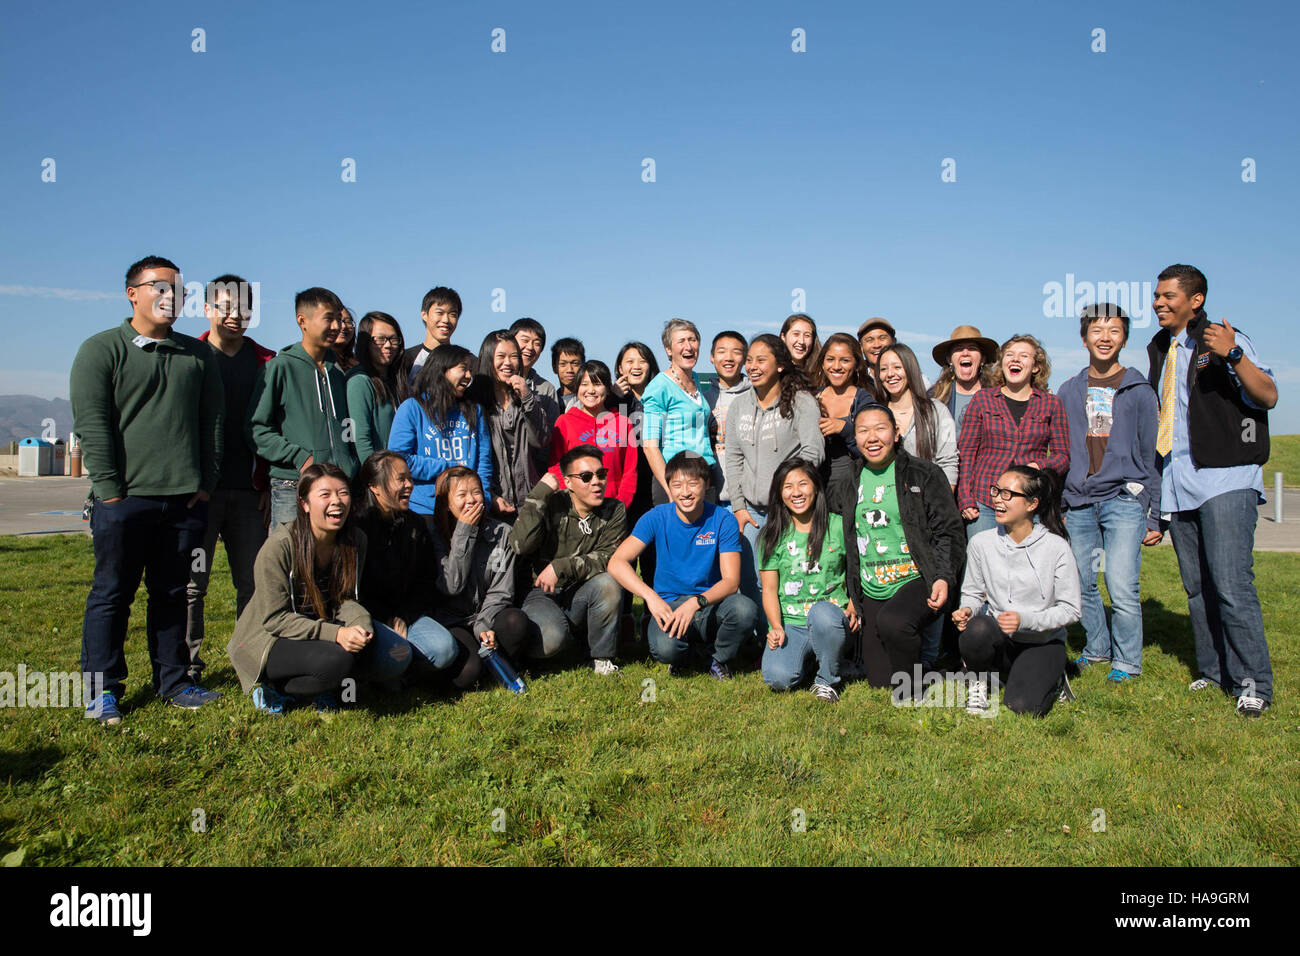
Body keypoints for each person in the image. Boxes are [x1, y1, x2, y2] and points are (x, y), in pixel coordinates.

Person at [73, 255, 225, 723]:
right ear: (132, 292)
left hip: (184, 500)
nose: (170, 297)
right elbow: (93, 426)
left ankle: (174, 681)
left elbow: (212, 423)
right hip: (124, 500)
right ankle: (103, 691)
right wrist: (110, 490)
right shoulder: (101, 350)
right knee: (112, 594)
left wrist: (205, 482)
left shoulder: (198, 356)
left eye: (178, 290)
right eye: (159, 287)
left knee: (173, 593)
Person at [1147, 264, 1277, 717]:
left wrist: (1236, 353)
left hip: (1225, 478)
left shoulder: (1223, 337)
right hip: (1178, 483)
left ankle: (1254, 683)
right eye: (1156, 296)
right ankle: (1213, 670)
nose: (1158, 303)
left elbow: (1269, 395)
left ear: (1195, 300)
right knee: (1198, 587)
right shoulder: (1161, 348)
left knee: (1230, 582)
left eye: (1168, 296)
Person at [226, 463, 412, 715]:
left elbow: (346, 598)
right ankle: (275, 687)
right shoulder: (279, 547)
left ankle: (332, 683)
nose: (336, 501)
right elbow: (275, 619)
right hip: (273, 637)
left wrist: (362, 627)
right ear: (304, 504)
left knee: (398, 652)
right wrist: (336, 635)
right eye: (325, 495)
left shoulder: (356, 541)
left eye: (343, 493)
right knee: (338, 661)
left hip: (325, 627)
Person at [1058, 304, 1162, 683]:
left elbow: (1152, 454)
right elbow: (1062, 448)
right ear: (1084, 338)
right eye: (1097, 330)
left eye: (1114, 331)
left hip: (1122, 499)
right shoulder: (1069, 390)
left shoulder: (1138, 390)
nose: (1105, 338)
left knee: (1121, 584)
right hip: (1079, 501)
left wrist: (1152, 511)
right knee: (1081, 582)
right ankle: (1097, 648)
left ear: (1124, 338)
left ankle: (1128, 661)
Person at [834, 404, 965, 695]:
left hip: (917, 577)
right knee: (879, 680)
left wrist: (943, 576)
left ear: (896, 433)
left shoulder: (924, 474)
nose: (872, 437)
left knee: (894, 623)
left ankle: (913, 689)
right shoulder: (849, 481)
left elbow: (950, 531)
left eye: (880, 428)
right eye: (863, 430)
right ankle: (937, 674)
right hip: (873, 586)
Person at [186, 274, 276, 686]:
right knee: (192, 585)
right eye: (225, 306)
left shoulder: (266, 361)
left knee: (252, 584)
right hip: (199, 493)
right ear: (207, 309)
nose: (235, 315)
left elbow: (277, 427)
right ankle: (188, 667)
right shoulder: (190, 358)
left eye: (243, 308)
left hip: (248, 491)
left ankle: (250, 660)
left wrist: (268, 484)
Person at [607, 451, 758, 679]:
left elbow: (730, 581)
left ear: (706, 485)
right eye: (677, 485)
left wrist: (696, 603)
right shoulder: (655, 516)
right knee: (664, 649)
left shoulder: (722, 519)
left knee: (745, 610)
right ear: (668, 486)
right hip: (670, 606)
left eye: (692, 484)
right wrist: (651, 598)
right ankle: (685, 655)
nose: (685, 492)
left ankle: (717, 657)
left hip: (709, 603)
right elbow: (617, 563)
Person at [954, 466, 1081, 717]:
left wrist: (1026, 620)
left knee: (1022, 707)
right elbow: (973, 592)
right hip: (1002, 639)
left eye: (1008, 494)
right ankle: (979, 680)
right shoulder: (981, 543)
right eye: (996, 491)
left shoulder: (1056, 547)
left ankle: (1055, 677)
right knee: (977, 629)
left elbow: (1071, 610)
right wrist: (967, 609)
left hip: (1042, 642)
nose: (998, 499)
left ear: (1032, 504)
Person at [724, 334, 824, 611]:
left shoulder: (802, 402)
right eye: (749, 360)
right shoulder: (739, 406)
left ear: (780, 365)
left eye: (760, 360)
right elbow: (733, 457)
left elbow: (813, 452)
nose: (752, 366)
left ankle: (791, 638)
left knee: (789, 578)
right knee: (752, 580)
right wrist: (738, 507)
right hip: (752, 513)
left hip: (791, 510)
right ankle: (763, 642)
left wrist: (791, 491)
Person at [510, 445, 628, 674]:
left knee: (608, 583)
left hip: (581, 590)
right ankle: (533, 648)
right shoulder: (551, 504)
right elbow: (520, 545)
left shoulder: (614, 510)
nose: (596, 482)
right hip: (540, 592)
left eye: (601, 474)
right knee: (553, 638)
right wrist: (539, 494)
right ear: (568, 482)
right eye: (586, 477)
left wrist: (561, 566)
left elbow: (607, 558)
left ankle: (601, 659)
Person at [249, 287, 359, 527]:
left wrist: (350, 465)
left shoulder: (339, 373)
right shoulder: (279, 368)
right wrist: (300, 458)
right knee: (292, 559)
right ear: (302, 321)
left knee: (337, 560)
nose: (336, 327)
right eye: (328, 319)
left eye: (339, 320)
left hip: (337, 486)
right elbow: (257, 429)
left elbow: (347, 428)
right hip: (293, 486)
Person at [351, 451, 462, 680]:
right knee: (397, 655)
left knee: (445, 650)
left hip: (407, 616)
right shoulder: (356, 529)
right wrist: (383, 618)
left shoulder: (416, 524)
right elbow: (353, 591)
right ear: (374, 486)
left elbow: (425, 581)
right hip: (368, 619)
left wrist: (404, 615)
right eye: (400, 479)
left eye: (409, 478)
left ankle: (401, 670)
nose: (409, 485)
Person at [956, 334, 1069, 539]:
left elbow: (1062, 457)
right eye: (1010, 355)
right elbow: (966, 453)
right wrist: (966, 498)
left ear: (1036, 366)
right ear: (1002, 363)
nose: (1015, 359)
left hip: (1029, 502)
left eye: (1024, 356)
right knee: (984, 565)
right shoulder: (983, 399)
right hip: (985, 500)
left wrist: (1038, 466)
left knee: (1028, 566)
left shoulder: (1052, 404)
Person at [759, 459, 854, 702]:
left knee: (822, 614)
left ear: (816, 487)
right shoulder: (771, 535)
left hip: (831, 618)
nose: (796, 492)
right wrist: (776, 626)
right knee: (777, 678)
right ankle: (811, 659)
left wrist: (855, 604)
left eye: (803, 484)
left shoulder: (838, 525)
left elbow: (856, 569)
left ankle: (827, 679)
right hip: (792, 623)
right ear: (780, 493)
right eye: (788, 487)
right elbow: (769, 590)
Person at [430, 466, 530, 688]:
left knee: (516, 622)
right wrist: (464, 533)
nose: (471, 500)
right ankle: (489, 664)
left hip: (489, 614)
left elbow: (502, 590)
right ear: (446, 502)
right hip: (454, 619)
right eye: (462, 495)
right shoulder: (434, 536)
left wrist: (483, 623)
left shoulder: (502, 533)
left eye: (476, 492)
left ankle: (496, 661)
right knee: (468, 672)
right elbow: (452, 586)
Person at [388, 344, 494, 526]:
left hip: (469, 510)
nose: (469, 376)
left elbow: (484, 462)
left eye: (470, 370)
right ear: (441, 370)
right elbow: (398, 461)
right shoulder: (412, 408)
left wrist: (483, 499)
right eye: (463, 369)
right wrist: (447, 467)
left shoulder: (474, 410)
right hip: (424, 510)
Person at [640, 319, 718, 505]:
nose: (688, 346)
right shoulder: (659, 387)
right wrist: (671, 489)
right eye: (681, 341)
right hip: (675, 480)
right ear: (668, 349)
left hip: (704, 476)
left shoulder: (696, 379)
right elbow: (649, 446)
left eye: (693, 339)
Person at [614, 341, 662, 640]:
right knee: (624, 554)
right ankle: (622, 619)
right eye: (628, 360)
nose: (635, 365)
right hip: (624, 490)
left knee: (655, 556)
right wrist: (615, 399)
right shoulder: (615, 402)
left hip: (655, 488)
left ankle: (651, 616)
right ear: (619, 368)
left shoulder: (660, 396)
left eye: (641, 360)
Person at [475, 330, 546, 520]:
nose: (508, 363)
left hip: (528, 502)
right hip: (491, 500)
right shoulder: (474, 401)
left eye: (514, 356)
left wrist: (526, 396)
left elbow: (540, 440)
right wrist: (489, 495)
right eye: (501, 356)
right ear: (488, 358)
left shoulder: (528, 397)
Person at [548, 360, 637, 508]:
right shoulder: (564, 422)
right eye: (584, 384)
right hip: (575, 511)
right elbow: (556, 466)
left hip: (613, 510)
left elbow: (630, 471)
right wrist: (571, 502)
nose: (591, 390)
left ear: (608, 389)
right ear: (577, 388)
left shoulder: (623, 423)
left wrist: (620, 506)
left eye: (597, 384)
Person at [876, 343, 958, 488]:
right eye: (883, 369)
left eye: (897, 367)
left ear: (910, 369)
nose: (890, 374)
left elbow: (948, 463)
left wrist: (940, 504)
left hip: (927, 500)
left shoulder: (936, 411)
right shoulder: (876, 414)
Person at [814, 332, 879, 488]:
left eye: (845, 360)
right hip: (814, 492)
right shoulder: (811, 397)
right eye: (830, 359)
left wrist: (846, 429)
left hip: (852, 490)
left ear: (856, 365)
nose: (836, 366)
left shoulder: (864, 401)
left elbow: (875, 449)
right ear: (822, 363)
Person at [346, 311, 408, 465]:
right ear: (366, 342)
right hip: (378, 477)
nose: (388, 345)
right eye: (380, 339)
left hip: (398, 473)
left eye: (393, 339)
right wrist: (377, 478)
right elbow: (361, 440)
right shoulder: (359, 381)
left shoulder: (396, 381)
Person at [702, 330, 751, 508]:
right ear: (711, 357)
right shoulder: (703, 400)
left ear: (745, 359)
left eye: (736, 352)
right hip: (711, 500)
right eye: (722, 351)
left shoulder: (758, 397)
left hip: (749, 502)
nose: (729, 358)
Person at [929, 325, 999, 436]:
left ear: (982, 359)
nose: (965, 353)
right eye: (959, 349)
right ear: (949, 360)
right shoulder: (934, 396)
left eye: (972, 348)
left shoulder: (998, 398)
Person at [509, 317, 563, 445]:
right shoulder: (498, 380)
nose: (530, 347)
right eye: (525, 340)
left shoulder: (547, 389)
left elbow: (550, 437)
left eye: (537, 343)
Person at [403, 286, 461, 384]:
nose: (446, 320)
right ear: (424, 315)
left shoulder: (468, 361)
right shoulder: (406, 359)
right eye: (439, 313)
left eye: (452, 314)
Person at [780, 313, 821, 381]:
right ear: (783, 337)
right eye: (796, 334)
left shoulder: (820, 374)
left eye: (807, 335)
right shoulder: (774, 372)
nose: (801, 341)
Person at [550, 337, 586, 411]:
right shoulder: (550, 402)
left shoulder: (592, 400)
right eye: (563, 364)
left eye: (575, 363)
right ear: (554, 367)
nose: (569, 369)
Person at [333, 305, 360, 374]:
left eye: (348, 322)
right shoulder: (321, 361)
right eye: (338, 320)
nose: (344, 326)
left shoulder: (359, 362)